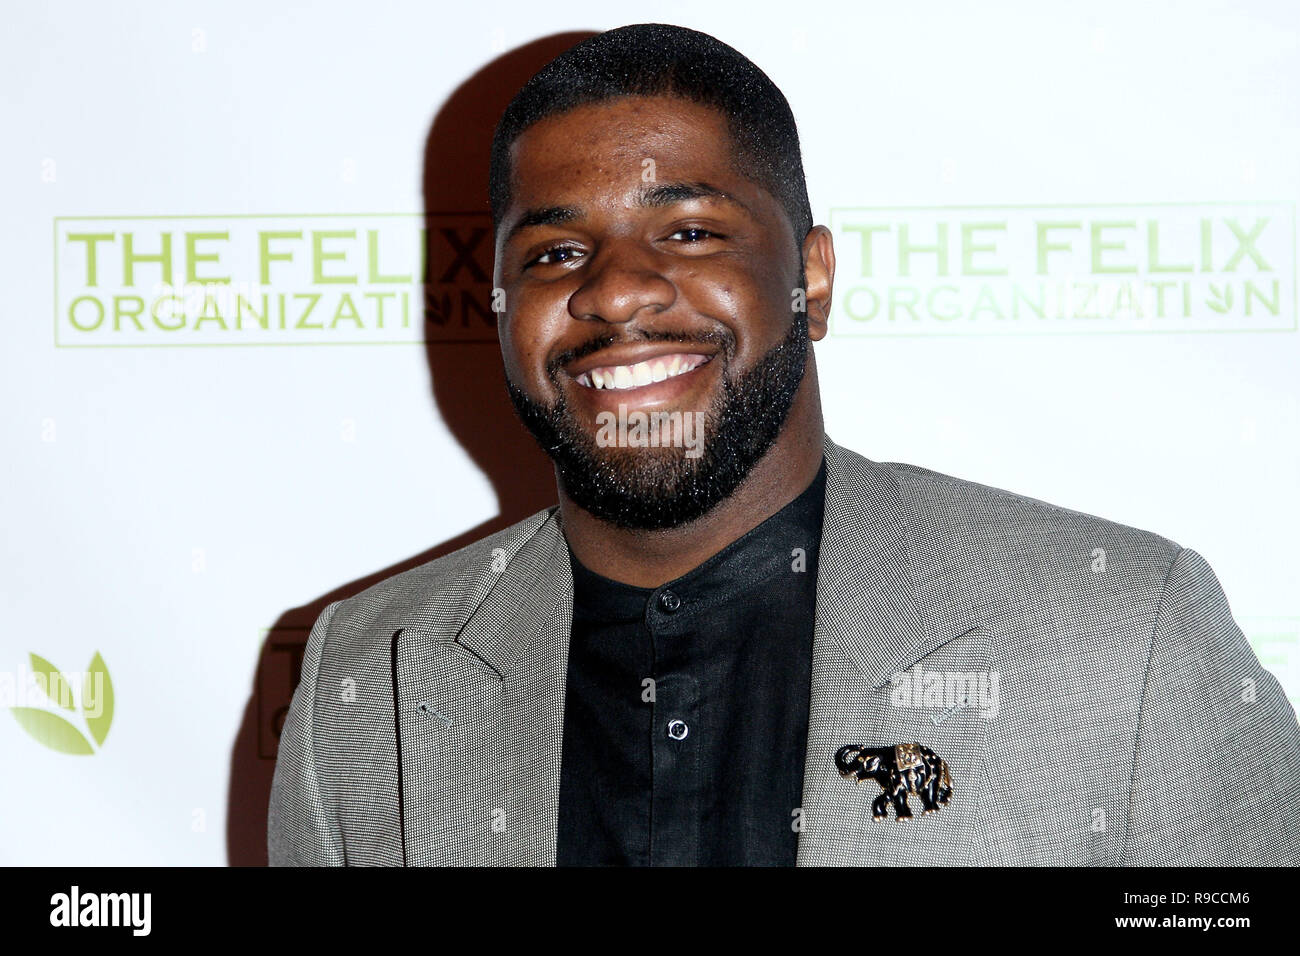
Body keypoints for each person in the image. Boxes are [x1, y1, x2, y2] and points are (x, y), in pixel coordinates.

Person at [268, 22, 1300, 866]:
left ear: (810, 277)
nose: (616, 288)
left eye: (689, 231)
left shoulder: (1123, 630)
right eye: (557, 250)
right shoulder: (370, 677)